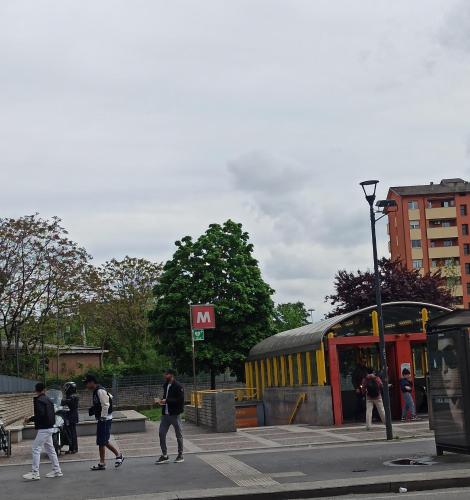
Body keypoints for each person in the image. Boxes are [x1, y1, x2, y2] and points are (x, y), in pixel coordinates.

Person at [22, 382, 63, 481]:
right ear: (44, 390)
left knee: (35, 448)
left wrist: (29, 419)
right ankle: (57, 470)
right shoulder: (48, 400)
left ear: (35, 390)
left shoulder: (39, 400)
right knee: (50, 449)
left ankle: (35, 473)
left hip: (44, 428)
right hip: (50, 427)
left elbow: (40, 415)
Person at [83, 374, 124, 471]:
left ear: (92, 382)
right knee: (102, 441)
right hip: (104, 418)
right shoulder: (98, 390)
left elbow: (106, 404)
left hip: (104, 419)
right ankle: (114, 457)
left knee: (102, 441)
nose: (86, 385)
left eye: (87, 383)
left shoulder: (100, 390)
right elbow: (110, 397)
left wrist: (103, 417)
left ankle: (107, 461)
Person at [155, 369, 185, 464]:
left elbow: (180, 400)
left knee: (178, 435)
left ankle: (180, 455)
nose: (164, 376)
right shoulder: (166, 385)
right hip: (165, 415)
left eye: (166, 374)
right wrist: (161, 401)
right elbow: (166, 398)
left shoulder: (178, 386)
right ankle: (165, 455)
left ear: (171, 375)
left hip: (175, 414)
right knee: (161, 433)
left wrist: (167, 400)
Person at [61, 381, 79, 453]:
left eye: (66, 387)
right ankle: (72, 448)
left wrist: (61, 401)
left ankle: (73, 448)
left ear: (69, 388)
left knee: (71, 433)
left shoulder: (72, 396)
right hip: (72, 415)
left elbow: (64, 402)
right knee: (71, 432)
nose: (65, 389)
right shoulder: (73, 395)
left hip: (71, 417)